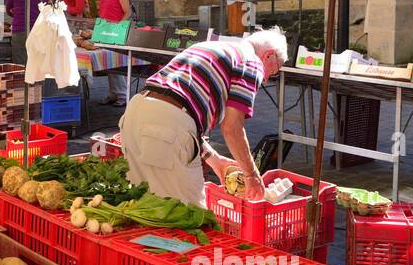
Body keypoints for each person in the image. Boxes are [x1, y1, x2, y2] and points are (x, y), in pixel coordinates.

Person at [119, 29, 288, 208]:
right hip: (166, 123)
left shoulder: (208, 47)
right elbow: (231, 127)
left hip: (135, 112)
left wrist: (214, 159)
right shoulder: (251, 61)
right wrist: (251, 174)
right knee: (189, 213)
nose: (267, 79)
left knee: (144, 204)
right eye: (274, 72)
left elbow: (180, 107)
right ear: (269, 55)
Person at [98, 0, 133, 105]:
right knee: (110, 64)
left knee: (115, 63)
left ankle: (123, 96)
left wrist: (119, 28)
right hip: (105, 31)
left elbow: (127, 12)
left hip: (114, 32)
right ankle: (113, 94)